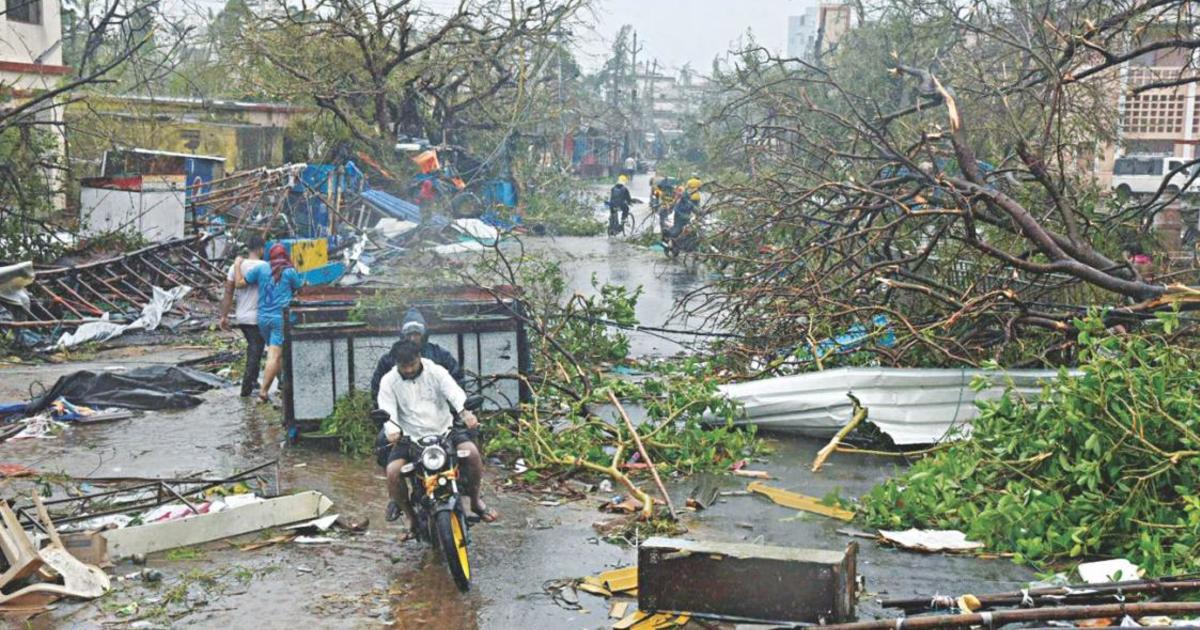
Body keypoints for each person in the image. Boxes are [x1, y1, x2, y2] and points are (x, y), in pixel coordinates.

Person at [377, 340, 498, 531]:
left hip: (445, 431)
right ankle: (410, 517)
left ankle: (475, 501)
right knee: (393, 471)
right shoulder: (388, 381)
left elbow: (454, 393)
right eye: (404, 366)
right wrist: (392, 430)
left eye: (412, 364)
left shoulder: (436, 371)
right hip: (410, 438)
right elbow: (387, 410)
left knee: (472, 453)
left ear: (419, 358)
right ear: (396, 363)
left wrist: (465, 412)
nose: (408, 369)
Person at [235, 243, 304, 404]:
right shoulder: (289, 271)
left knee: (276, 354)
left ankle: (283, 385)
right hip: (280, 319)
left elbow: (239, 283)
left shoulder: (261, 269)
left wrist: (238, 264)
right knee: (274, 355)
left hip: (262, 319)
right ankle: (263, 393)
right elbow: (300, 290)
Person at [370, 307, 463, 400]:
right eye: (409, 334)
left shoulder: (440, 355)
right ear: (403, 335)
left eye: (416, 334)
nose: (412, 338)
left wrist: (451, 408)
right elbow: (378, 389)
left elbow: (457, 382)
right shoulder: (389, 359)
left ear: (423, 335)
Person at [218, 236, 268, 398]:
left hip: (242, 316)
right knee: (256, 349)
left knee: (255, 348)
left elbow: (228, 292)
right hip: (258, 316)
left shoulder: (235, 267)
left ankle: (253, 383)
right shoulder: (264, 266)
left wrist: (224, 316)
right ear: (261, 249)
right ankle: (246, 388)